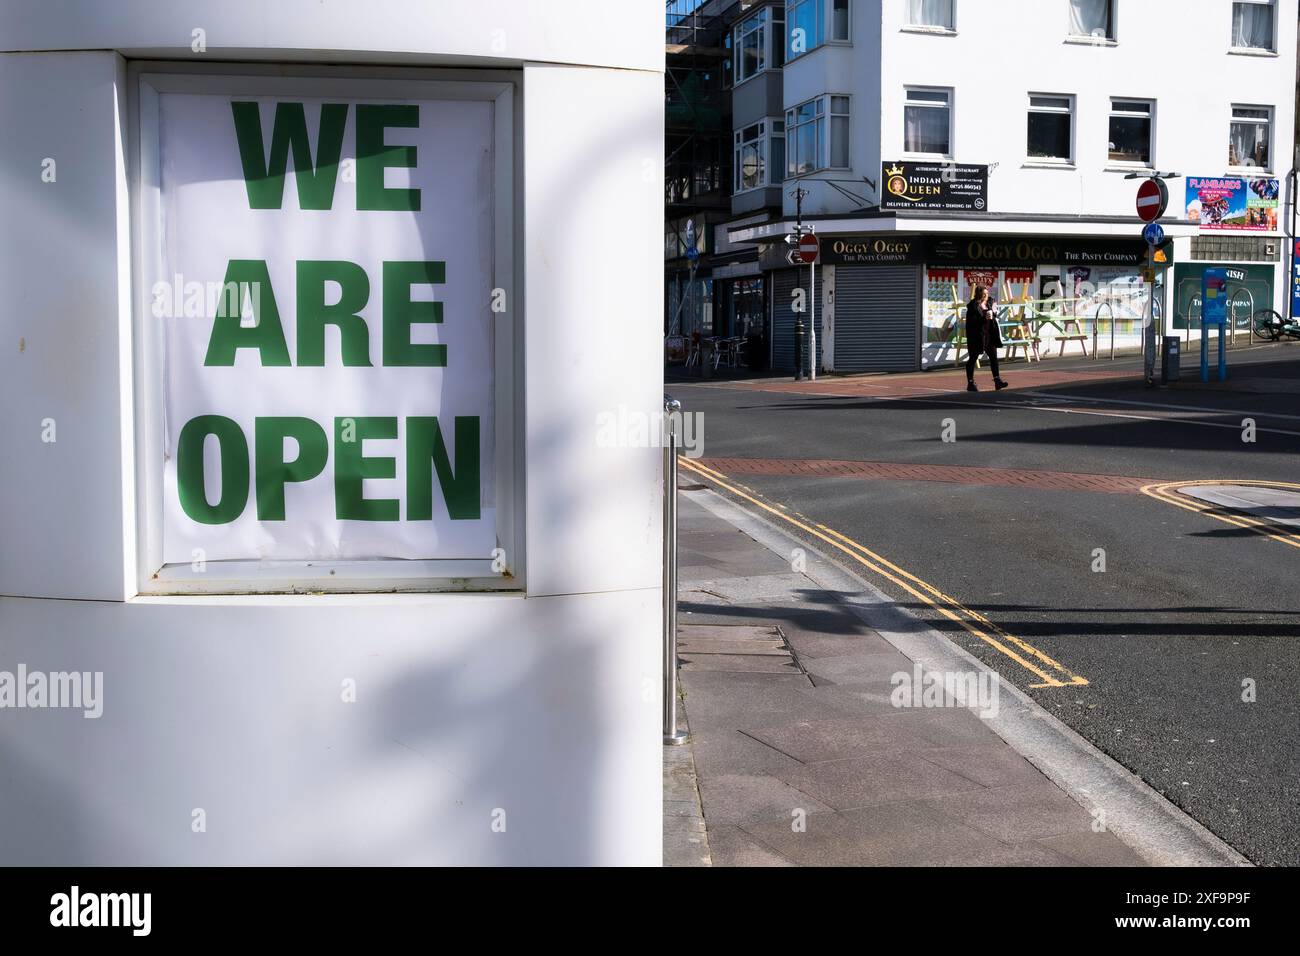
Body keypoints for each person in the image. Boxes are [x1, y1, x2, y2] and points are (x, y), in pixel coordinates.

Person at [965, 285, 1008, 392]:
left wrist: (993, 314)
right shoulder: (972, 306)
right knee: (973, 358)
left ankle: (997, 381)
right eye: (983, 294)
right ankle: (970, 383)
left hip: (990, 334)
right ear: (978, 294)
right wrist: (984, 317)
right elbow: (972, 322)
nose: (986, 295)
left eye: (987, 293)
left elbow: (995, 312)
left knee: (993, 357)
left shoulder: (990, 302)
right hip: (977, 336)